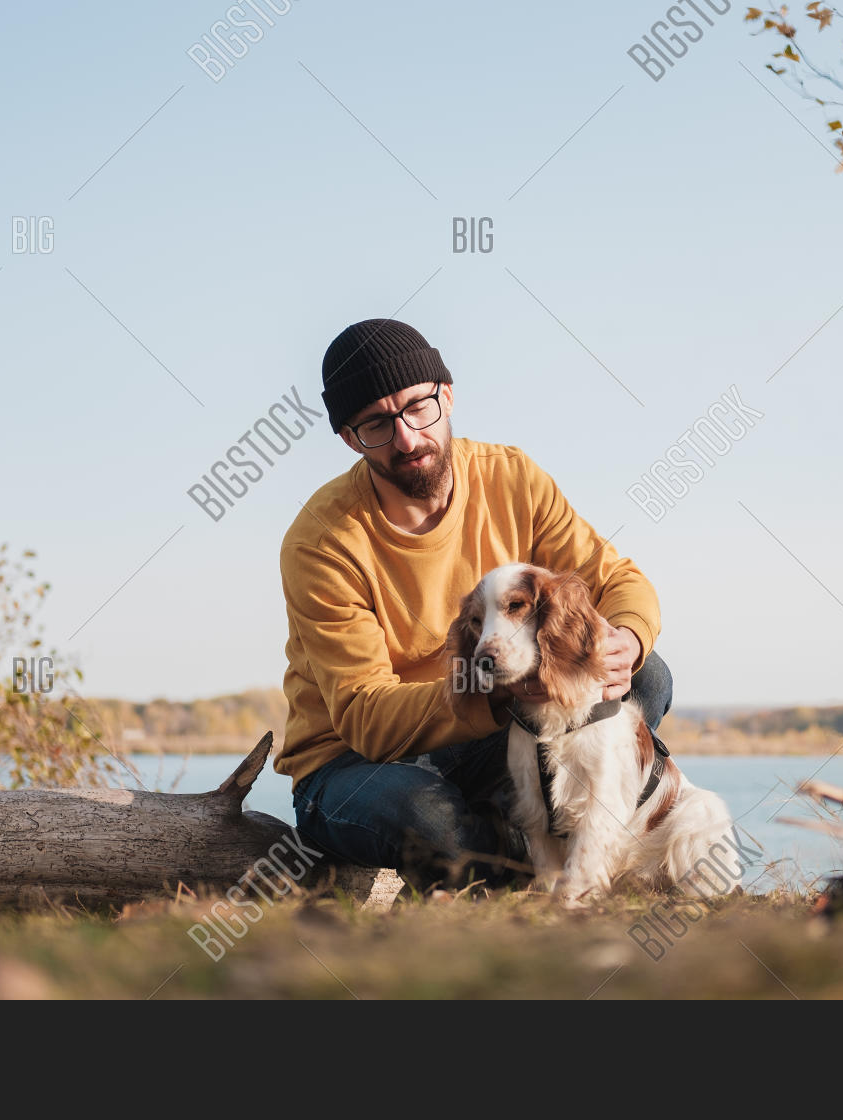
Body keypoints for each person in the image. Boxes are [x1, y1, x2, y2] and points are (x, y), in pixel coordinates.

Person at [277, 319, 671, 891]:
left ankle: (567, 840)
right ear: (347, 437)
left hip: (496, 729)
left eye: (419, 408)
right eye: (377, 426)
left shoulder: (512, 478)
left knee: (647, 676)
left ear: (448, 394)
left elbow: (618, 581)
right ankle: (531, 864)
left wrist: (625, 640)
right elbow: (365, 718)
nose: (408, 438)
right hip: (358, 764)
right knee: (427, 818)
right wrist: (497, 689)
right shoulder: (323, 541)